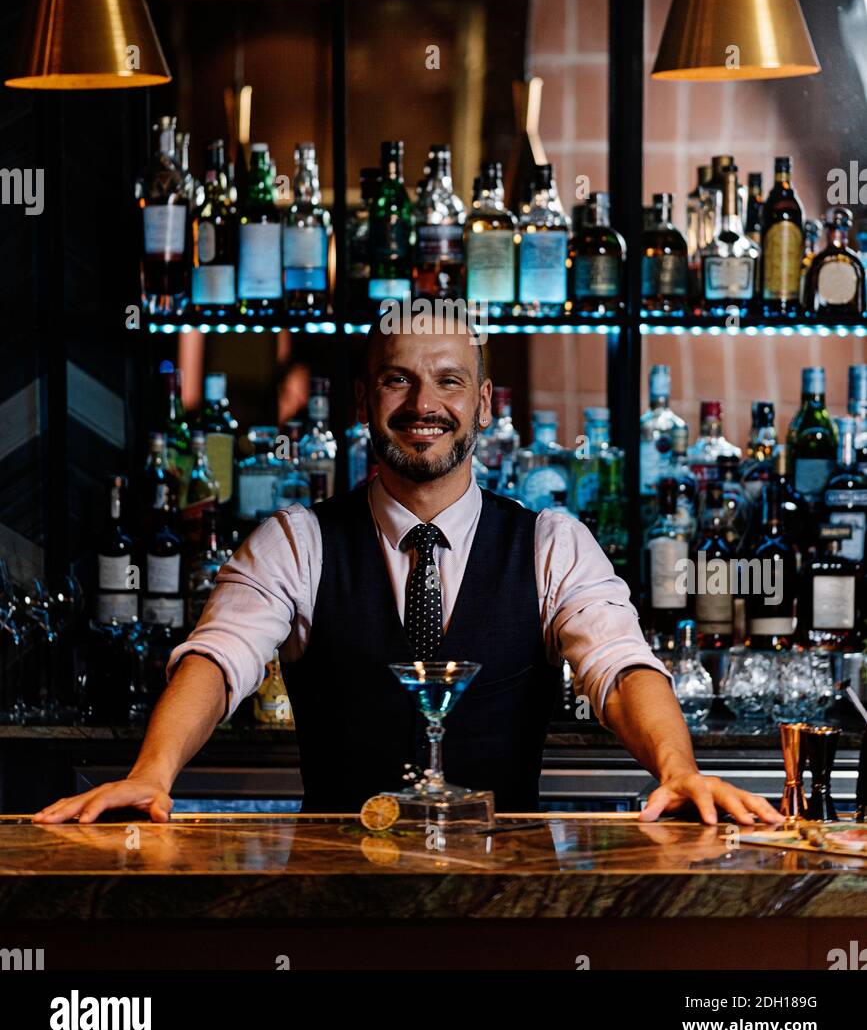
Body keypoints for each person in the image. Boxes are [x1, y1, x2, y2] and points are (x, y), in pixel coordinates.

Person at [35, 316, 783, 828]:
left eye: (450, 382)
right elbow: (217, 659)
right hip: (336, 896)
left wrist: (674, 767)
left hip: (507, 900)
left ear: (484, 404)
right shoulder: (296, 541)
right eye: (398, 380)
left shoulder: (550, 542)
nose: (424, 405)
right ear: (363, 399)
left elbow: (619, 669)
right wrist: (154, 772)